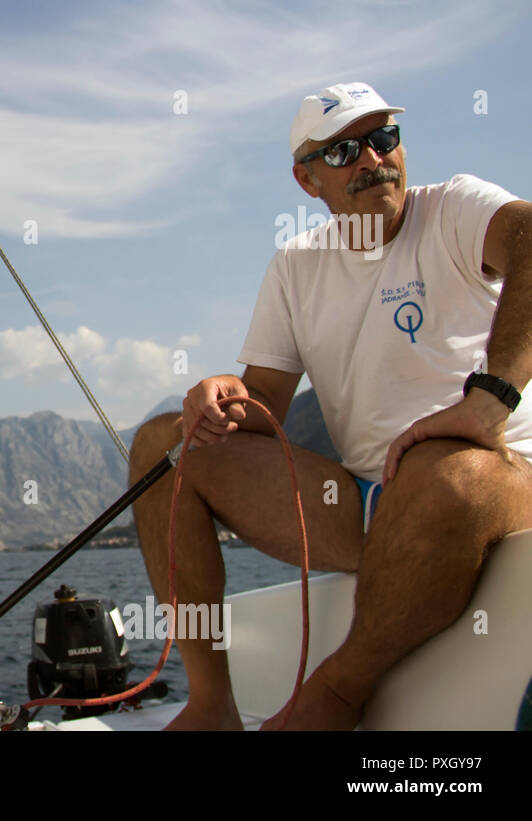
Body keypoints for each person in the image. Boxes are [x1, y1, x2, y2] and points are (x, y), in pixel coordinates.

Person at [129, 82, 532, 730]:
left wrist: (491, 400)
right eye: (344, 150)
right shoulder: (296, 266)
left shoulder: (453, 208)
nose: (372, 159)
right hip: (366, 505)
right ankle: (211, 705)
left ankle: (336, 692)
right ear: (306, 179)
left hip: (495, 476)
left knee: (446, 470)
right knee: (164, 446)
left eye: (383, 138)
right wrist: (219, 397)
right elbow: (262, 407)